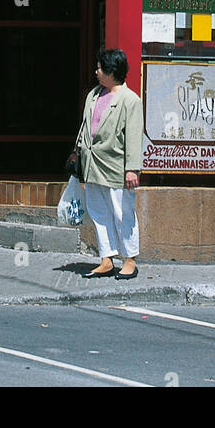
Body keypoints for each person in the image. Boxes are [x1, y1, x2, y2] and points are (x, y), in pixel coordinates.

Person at [74, 47, 143, 280]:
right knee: (99, 212)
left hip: (116, 167)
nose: (96, 71)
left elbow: (134, 135)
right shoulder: (93, 94)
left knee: (122, 213)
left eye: (100, 68)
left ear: (112, 71)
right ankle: (106, 259)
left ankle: (130, 259)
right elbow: (86, 127)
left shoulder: (129, 100)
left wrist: (132, 168)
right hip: (93, 165)